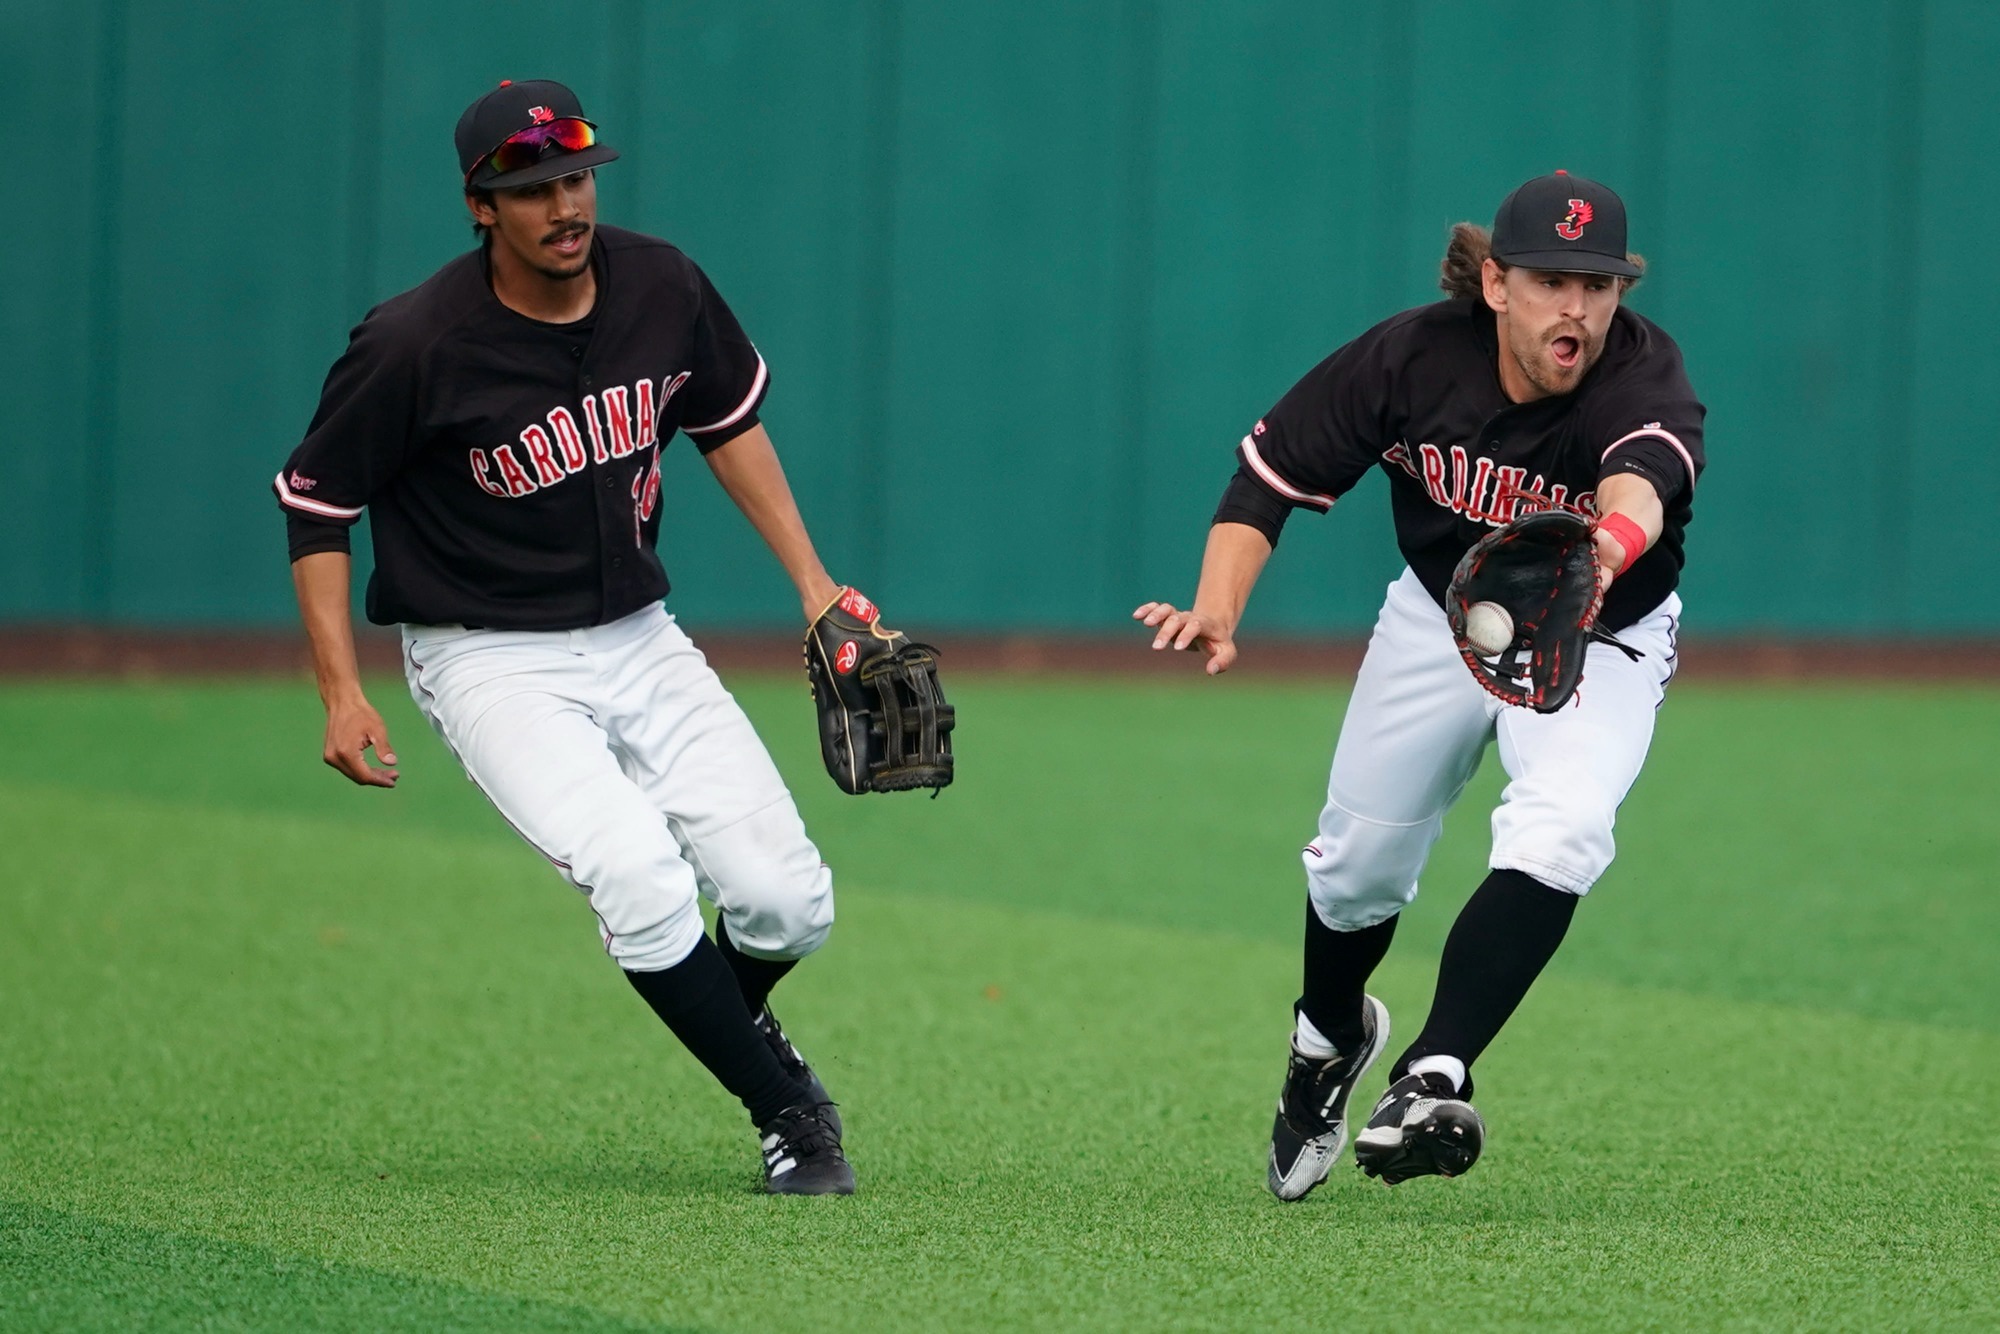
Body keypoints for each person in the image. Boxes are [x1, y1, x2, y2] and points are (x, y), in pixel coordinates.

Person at [275, 79, 858, 1195]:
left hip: (638, 632)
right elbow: (315, 505)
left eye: (574, 178)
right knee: (638, 874)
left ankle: (729, 1026)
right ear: (479, 207)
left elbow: (726, 425)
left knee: (788, 899)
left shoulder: (662, 284)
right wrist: (338, 691)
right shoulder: (413, 341)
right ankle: (784, 1107)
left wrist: (813, 584)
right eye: (530, 188)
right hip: (489, 654)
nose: (561, 206)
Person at [1134, 172, 1704, 1198]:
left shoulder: (1638, 371)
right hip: (1445, 611)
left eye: (1597, 283)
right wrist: (1216, 602)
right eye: (1549, 279)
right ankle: (1325, 1037)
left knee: (1561, 826)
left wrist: (1607, 548)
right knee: (1355, 866)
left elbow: (1640, 485)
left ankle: (1432, 1070)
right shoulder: (1407, 358)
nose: (1576, 306)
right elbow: (1267, 477)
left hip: (1598, 627)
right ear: (1493, 283)